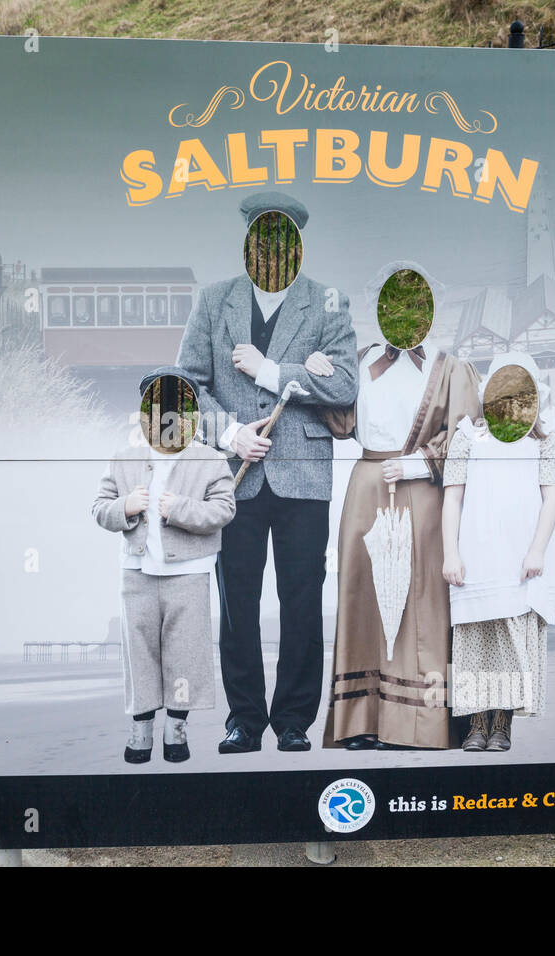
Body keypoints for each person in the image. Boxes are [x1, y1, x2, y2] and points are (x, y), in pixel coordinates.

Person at [176, 191, 358, 754]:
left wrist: (274, 370)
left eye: (283, 236)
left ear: (297, 244)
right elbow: (187, 389)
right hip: (236, 477)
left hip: (304, 477)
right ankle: (245, 721)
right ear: (250, 240)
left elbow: (346, 384)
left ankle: (295, 720)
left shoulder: (328, 303)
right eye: (263, 234)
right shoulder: (212, 301)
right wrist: (230, 434)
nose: (272, 245)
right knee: (237, 601)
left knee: (302, 598)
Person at [321, 336, 481, 751]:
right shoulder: (361, 360)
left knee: (420, 602)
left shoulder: (449, 367)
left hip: (422, 489)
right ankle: (361, 721)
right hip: (367, 485)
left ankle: (416, 724)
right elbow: (341, 425)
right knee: (363, 598)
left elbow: (466, 434)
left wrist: (416, 463)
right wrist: (321, 374)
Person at [91, 367, 236, 764]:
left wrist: (180, 509)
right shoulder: (124, 457)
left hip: (189, 572)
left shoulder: (209, 459)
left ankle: (176, 728)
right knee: (139, 652)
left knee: (184, 654)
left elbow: (225, 508)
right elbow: (99, 509)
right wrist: (125, 507)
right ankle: (140, 731)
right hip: (136, 573)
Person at [441, 353, 555, 752]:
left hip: (518, 561)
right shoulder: (467, 437)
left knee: (510, 646)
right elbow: (452, 499)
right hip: (476, 558)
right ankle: (476, 724)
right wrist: (450, 554)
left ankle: (502, 725)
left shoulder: (547, 438)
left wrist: (537, 551)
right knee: (477, 640)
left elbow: (551, 498)